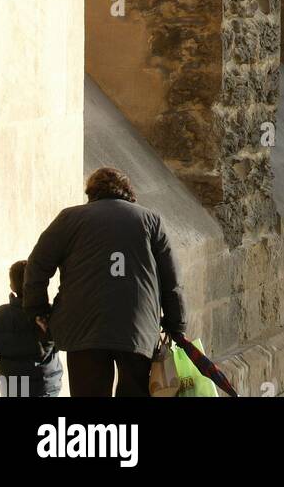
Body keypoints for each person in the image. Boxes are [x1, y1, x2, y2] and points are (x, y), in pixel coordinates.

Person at [23, 166, 187, 398]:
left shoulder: (69, 219)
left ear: (91, 193)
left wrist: (37, 311)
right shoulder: (150, 221)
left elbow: (37, 265)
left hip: (83, 326)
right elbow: (172, 280)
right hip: (137, 326)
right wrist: (176, 324)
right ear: (129, 192)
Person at [0, 260, 63, 398]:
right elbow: (66, 340)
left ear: (11, 286)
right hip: (46, 386)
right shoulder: (51, 314)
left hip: (13, 386)